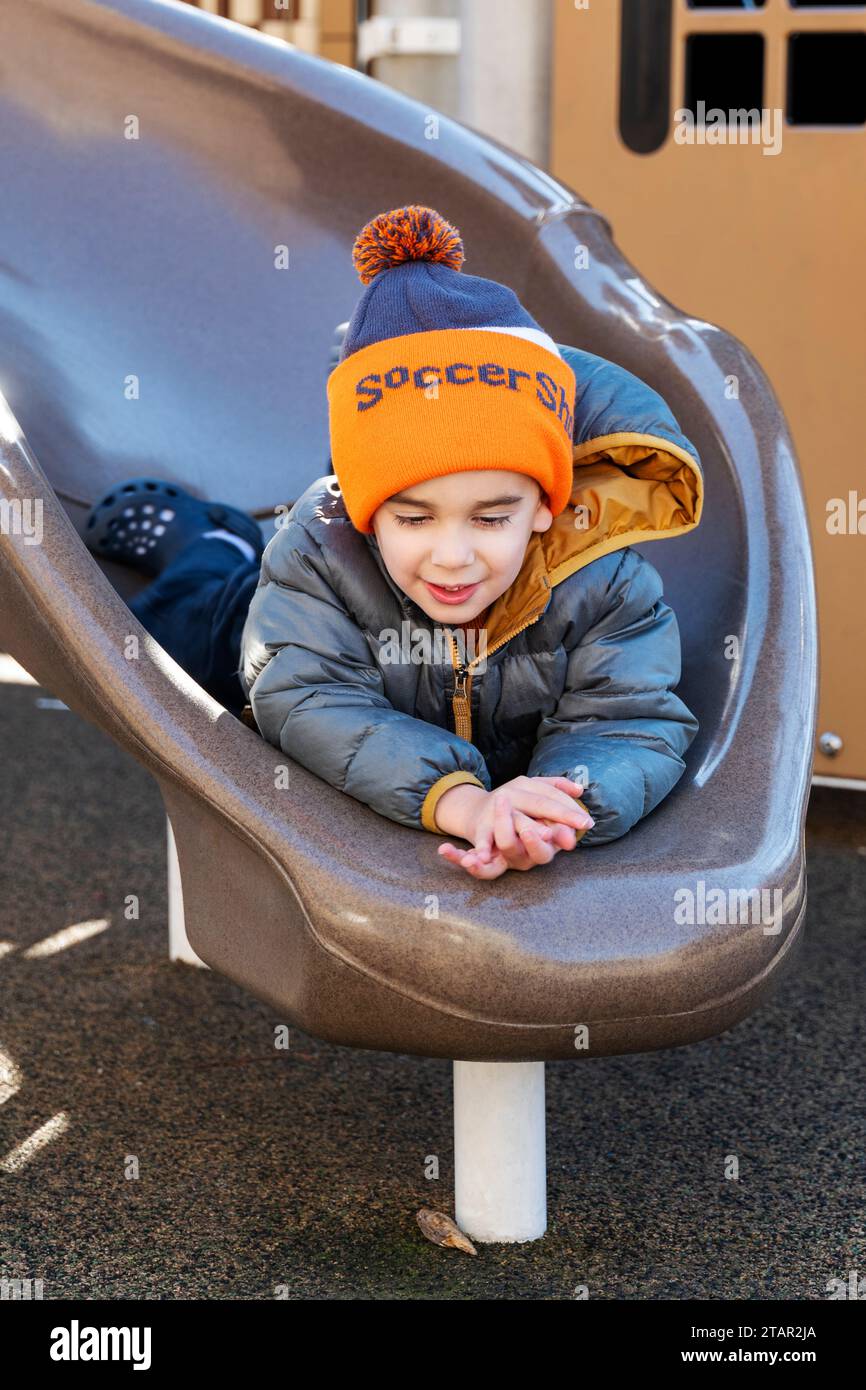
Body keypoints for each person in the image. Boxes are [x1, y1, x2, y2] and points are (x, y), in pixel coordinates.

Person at [85, 204, 704, 879]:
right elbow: (309, 699)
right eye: (415, 518)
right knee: (159, 646)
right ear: (368, 511)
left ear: (543, 509)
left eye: (491, 517)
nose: (453, 555)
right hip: (262, 616)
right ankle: (215, 545)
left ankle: (373, 430)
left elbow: (628, 720)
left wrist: (554, 807)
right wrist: (464, 802)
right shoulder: (320, 550)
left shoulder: (603, 581)